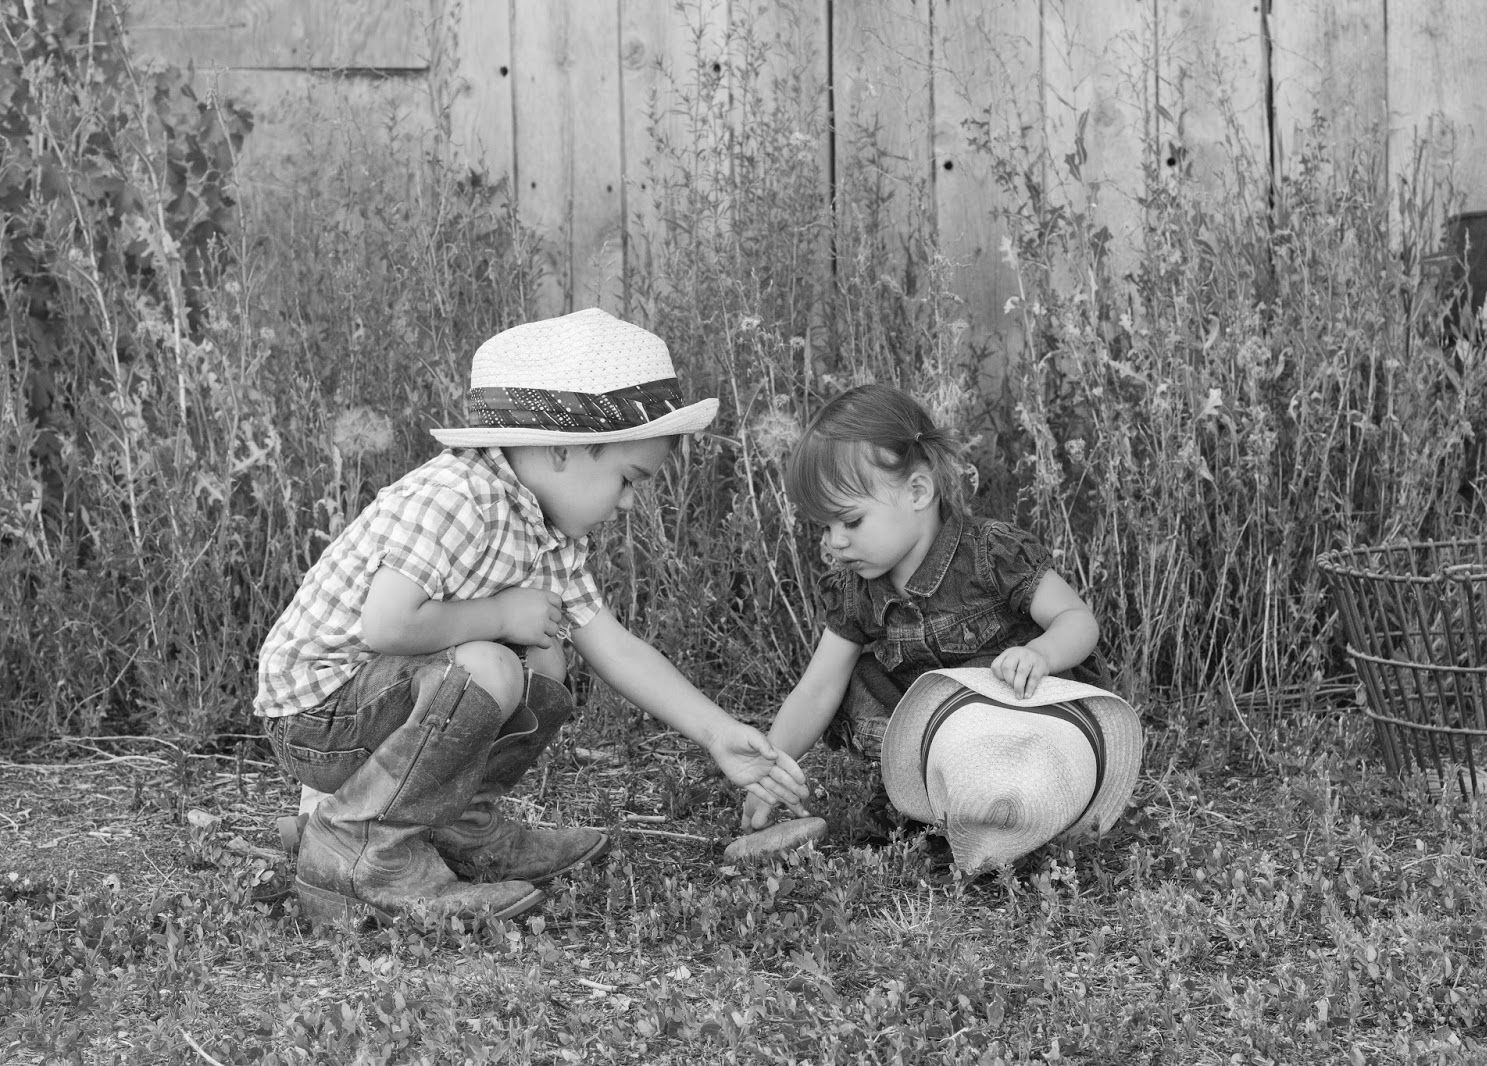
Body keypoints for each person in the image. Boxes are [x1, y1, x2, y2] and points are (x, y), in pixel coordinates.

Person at [256, 308, 808, 925]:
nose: (629, 502)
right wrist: (498, 612)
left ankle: (455, 827)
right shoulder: (457, 497)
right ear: (561, 450)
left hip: (381, 710)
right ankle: (361, 846)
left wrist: (717, 733)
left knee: (545, 656)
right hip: (319, 716)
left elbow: (616, 649)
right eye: (628, 480)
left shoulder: (545, 532)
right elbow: (386, 625)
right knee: (491, 664)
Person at [743, 382, 1101, 836]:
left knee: (1001, 706)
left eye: (851, 520)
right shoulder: (855, 590)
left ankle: (1016, 805)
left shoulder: (991, 554)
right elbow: (816, 690)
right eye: (826, 527)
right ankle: (919, 794)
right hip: (934, 741)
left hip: (1017, 724)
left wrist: (1042, 654)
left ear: (917, 492)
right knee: (856, 678)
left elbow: (1077, 619)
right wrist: (770, 770)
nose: (835, 541)